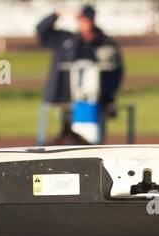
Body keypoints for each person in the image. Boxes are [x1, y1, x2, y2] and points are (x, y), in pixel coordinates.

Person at [35, 6, 124, 143]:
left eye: (85, 19)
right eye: (80, 19)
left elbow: (116, 70)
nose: (82, 23)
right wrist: (58, 13)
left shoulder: (105, 43)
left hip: (97, 101)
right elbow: (42, 31)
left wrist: (106, 93)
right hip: (67, 98)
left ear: (92, 20)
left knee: (94, 136)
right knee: (70, 136)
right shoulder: (67, 40)